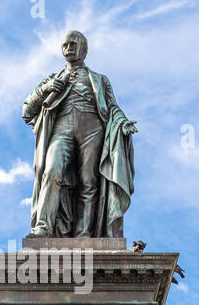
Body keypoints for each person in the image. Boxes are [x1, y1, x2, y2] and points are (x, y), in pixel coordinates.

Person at [23, 30, 137, 238]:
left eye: (73, 45)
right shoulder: (53, 78)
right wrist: (45, 89)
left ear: (83, 48)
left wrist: (122, 122)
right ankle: (43, 227)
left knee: (89, 181)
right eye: (65, 46)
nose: (68, 49)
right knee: (52, 171)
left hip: (92, 128)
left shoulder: (100, 80)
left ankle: (84, 234)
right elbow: (27, 111)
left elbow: (112, 107)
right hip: (62, 127)